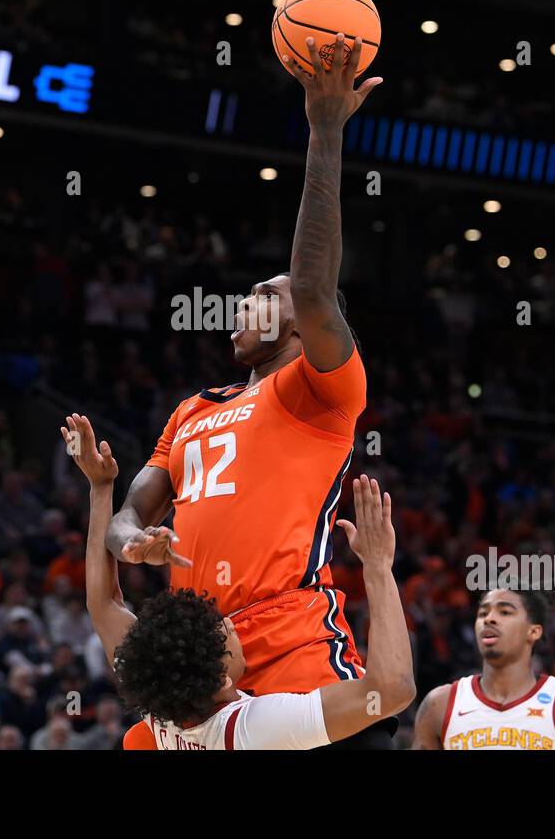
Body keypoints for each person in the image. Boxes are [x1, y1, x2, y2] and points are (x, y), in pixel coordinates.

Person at [102, 36, 390, 745]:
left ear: (304, 324)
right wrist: (132, 541)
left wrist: (324, 132)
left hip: (292, 636)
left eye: (265, 296)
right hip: (199, 654)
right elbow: (125, 514)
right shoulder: (193, 410)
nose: (243, 307)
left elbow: (318, 291)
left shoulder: (317, 393)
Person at [64, 413, 412, 749]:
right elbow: (392, 689)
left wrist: (100, 487)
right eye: (226, 634)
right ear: (222, 678)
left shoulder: (160, 702)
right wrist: (378, 566)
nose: (230, 622)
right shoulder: (248, 729)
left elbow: (103, 603)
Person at [412, 589, 555, 750]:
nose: (489, 619)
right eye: (483, 612)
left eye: (505, 612)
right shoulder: (439, 705)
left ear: (534, 631)